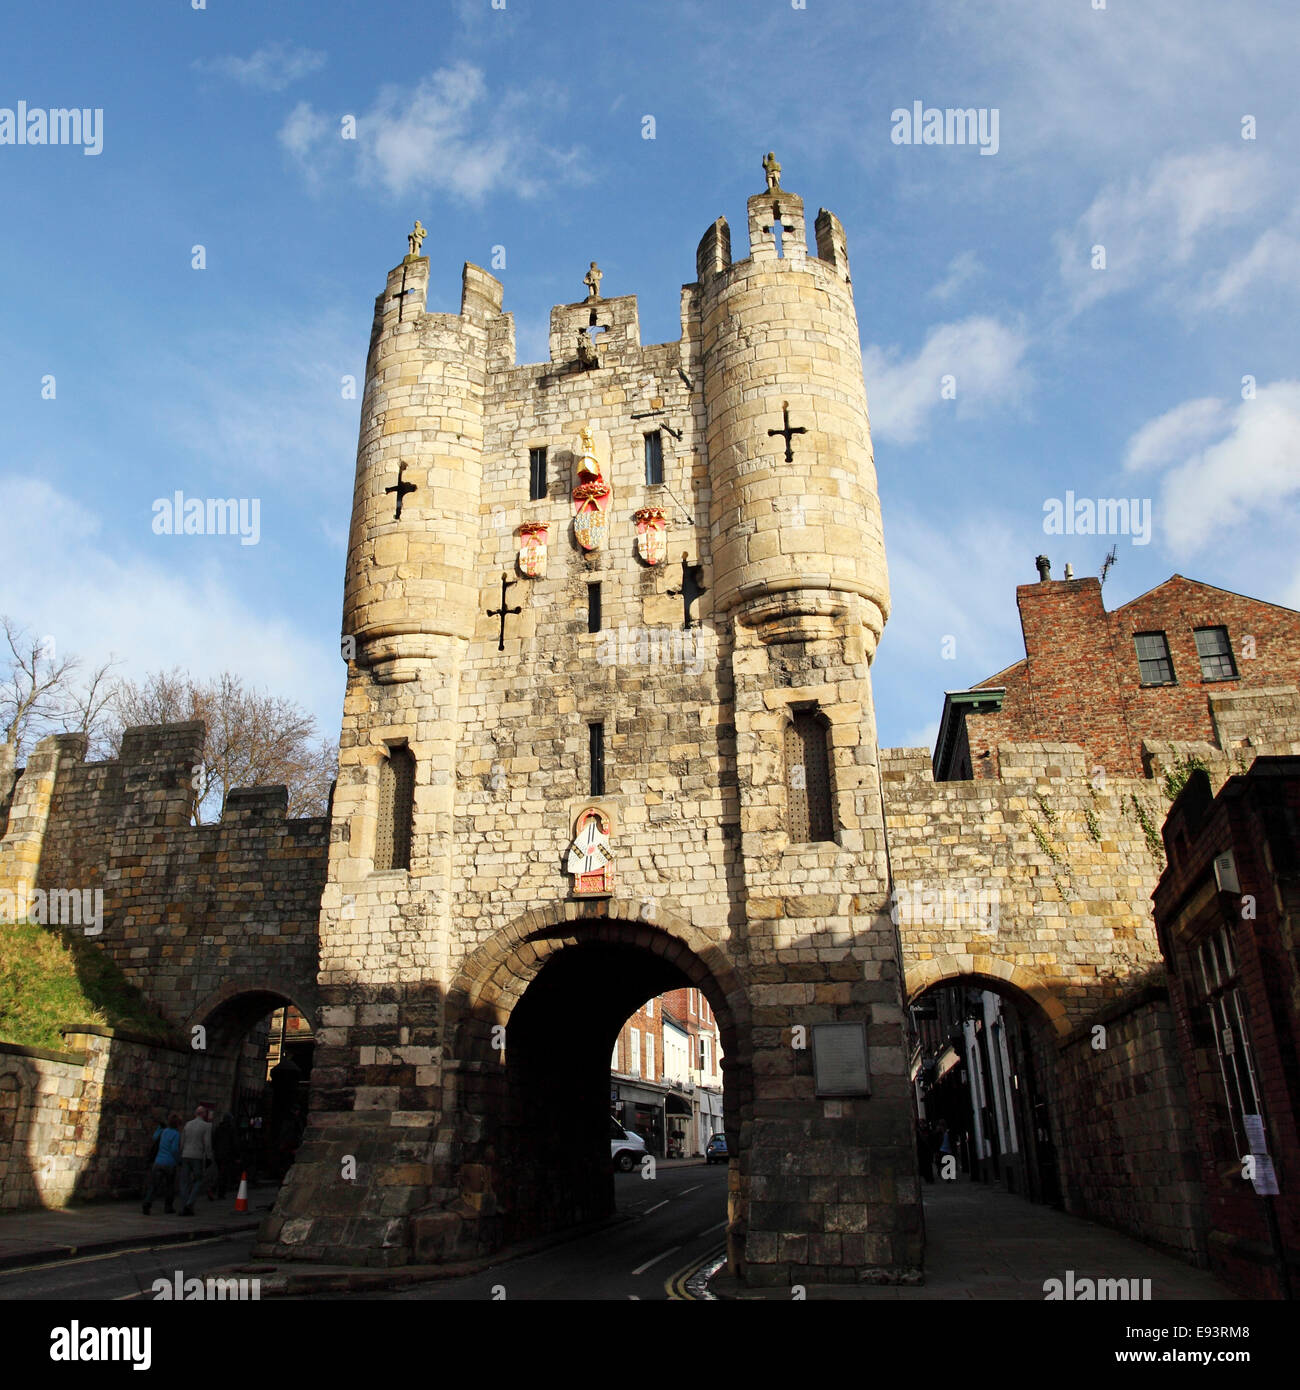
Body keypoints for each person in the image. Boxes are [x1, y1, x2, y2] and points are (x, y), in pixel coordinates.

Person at [177, 1104, 214, 1216]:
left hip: (186, 1154)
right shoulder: (206, 1126)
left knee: (184, 1181)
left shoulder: (188, 1124)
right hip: (197, 1155)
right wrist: (209, 1157)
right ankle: (190, 1202)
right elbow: (207, 1143)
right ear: (203, 1114)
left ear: (195, 1114)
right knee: (199, 1179)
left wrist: (181, 1153)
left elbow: (182, 1141)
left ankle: (184, 1206)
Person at [142, 1113, 181, 1214]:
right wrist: (178, 1160)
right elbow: (174, 1149)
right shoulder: (176, 1134)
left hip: (158, 1161)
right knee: (169, 1185)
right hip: (170, 1163)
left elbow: (155, 1138)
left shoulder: (164, 1132)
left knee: (154, 1185)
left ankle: (147, 1203)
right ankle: (168, 1207)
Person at [211, 1111, 238, 1200]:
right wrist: (236, 1155)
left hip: (218, 1154)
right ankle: (215, 1190)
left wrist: (215, 1150)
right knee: (223, 1174)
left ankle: (218, 1191)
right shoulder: (231, 1129)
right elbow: (234, 1143)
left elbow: (213, 1141)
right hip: (226, 1155)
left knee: (221, 1172)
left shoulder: (218, 1128)